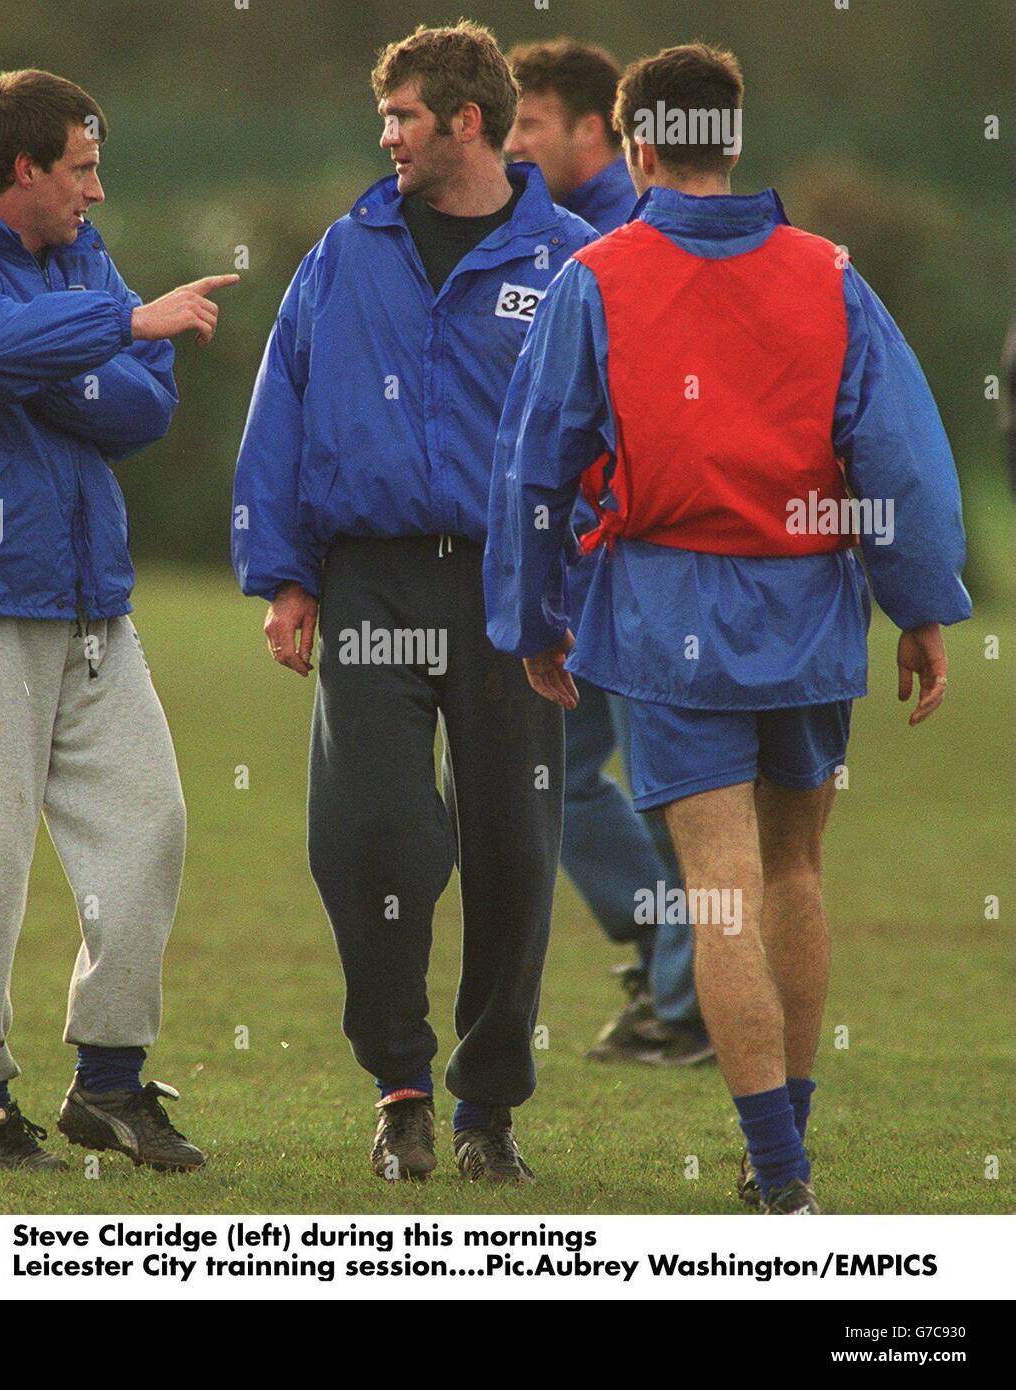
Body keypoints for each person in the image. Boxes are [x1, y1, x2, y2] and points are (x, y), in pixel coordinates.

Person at [484, 43, 971, 1212]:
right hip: (808, 609)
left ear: (637, 147)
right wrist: (919, 604)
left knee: (719, 889)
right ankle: (780, 1157)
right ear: (733, 141)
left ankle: (781, 1171)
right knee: (796, 872)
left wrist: (529, 615)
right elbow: (898, 456)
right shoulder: (831, 274)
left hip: (667, 612)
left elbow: (533, 468)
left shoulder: (594, 280)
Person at [232, 22, 594, 1184]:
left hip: (513, 586)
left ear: (466, 122)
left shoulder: (574, 263)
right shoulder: (343, 251)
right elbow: (279, 406)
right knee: (371, 836)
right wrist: (286, 575)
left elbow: (609, 447)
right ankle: (399, 1086)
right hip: (374, 577)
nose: (382, 136)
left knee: (512, 848)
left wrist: (577, 589)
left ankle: (487, 1110)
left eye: (400, 116)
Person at [0, 68, 238, 1171]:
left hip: (89, 603)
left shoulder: (73, 256)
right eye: (81, 169)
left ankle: (109, 1083)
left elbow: (143, 401)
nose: (98, 192)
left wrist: (51, 356)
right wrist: (110, 324)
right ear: (22, 168)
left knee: (151, 824)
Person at [506, 37, 709, 1067]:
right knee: (564, 773)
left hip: (632, 556)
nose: (512, 145)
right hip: (592, 557)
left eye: (530, 125)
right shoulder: (548, 233)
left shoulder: (627, 245)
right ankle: (666, 957)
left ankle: (683, 999)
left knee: (663, 777)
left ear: (603, 134)